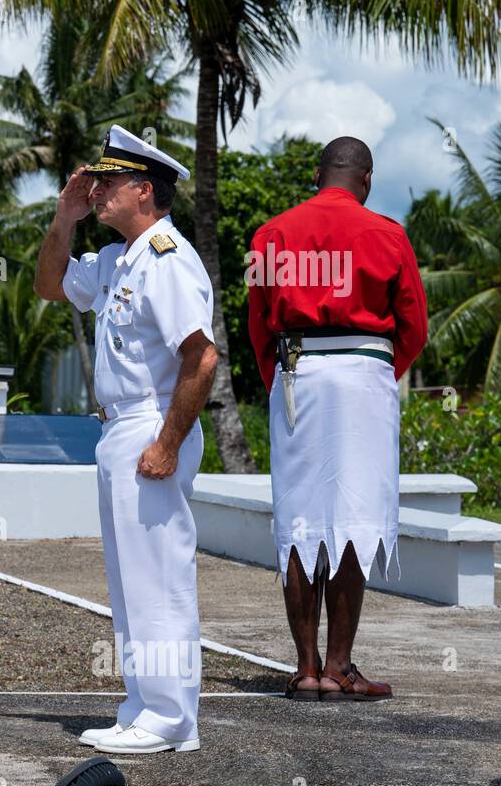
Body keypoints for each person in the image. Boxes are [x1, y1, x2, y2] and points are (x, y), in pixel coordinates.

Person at [34, 125, 219, 753]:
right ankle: (143, 706)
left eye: (109, 183)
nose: (98, 191)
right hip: (119, 428)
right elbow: (49, 284)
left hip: (150, 422)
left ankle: (169, 719)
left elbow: (201, 359)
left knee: (159, 575)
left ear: (144, 190)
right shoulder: (118, 260)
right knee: (130, 580)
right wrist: (65, 217)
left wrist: (167, 443)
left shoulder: (167, 256)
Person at [247, 136, 427, 702]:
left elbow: (256, 320)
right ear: (366, 180)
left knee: (300, 520)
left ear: (318, 175)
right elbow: (413, 323)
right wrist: (376, 370)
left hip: (296, 368)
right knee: (355, 515)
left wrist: (278, 379)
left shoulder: (270, 234)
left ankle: (304, 670)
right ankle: (340, 668)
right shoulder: (389, 234)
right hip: (364, 373)